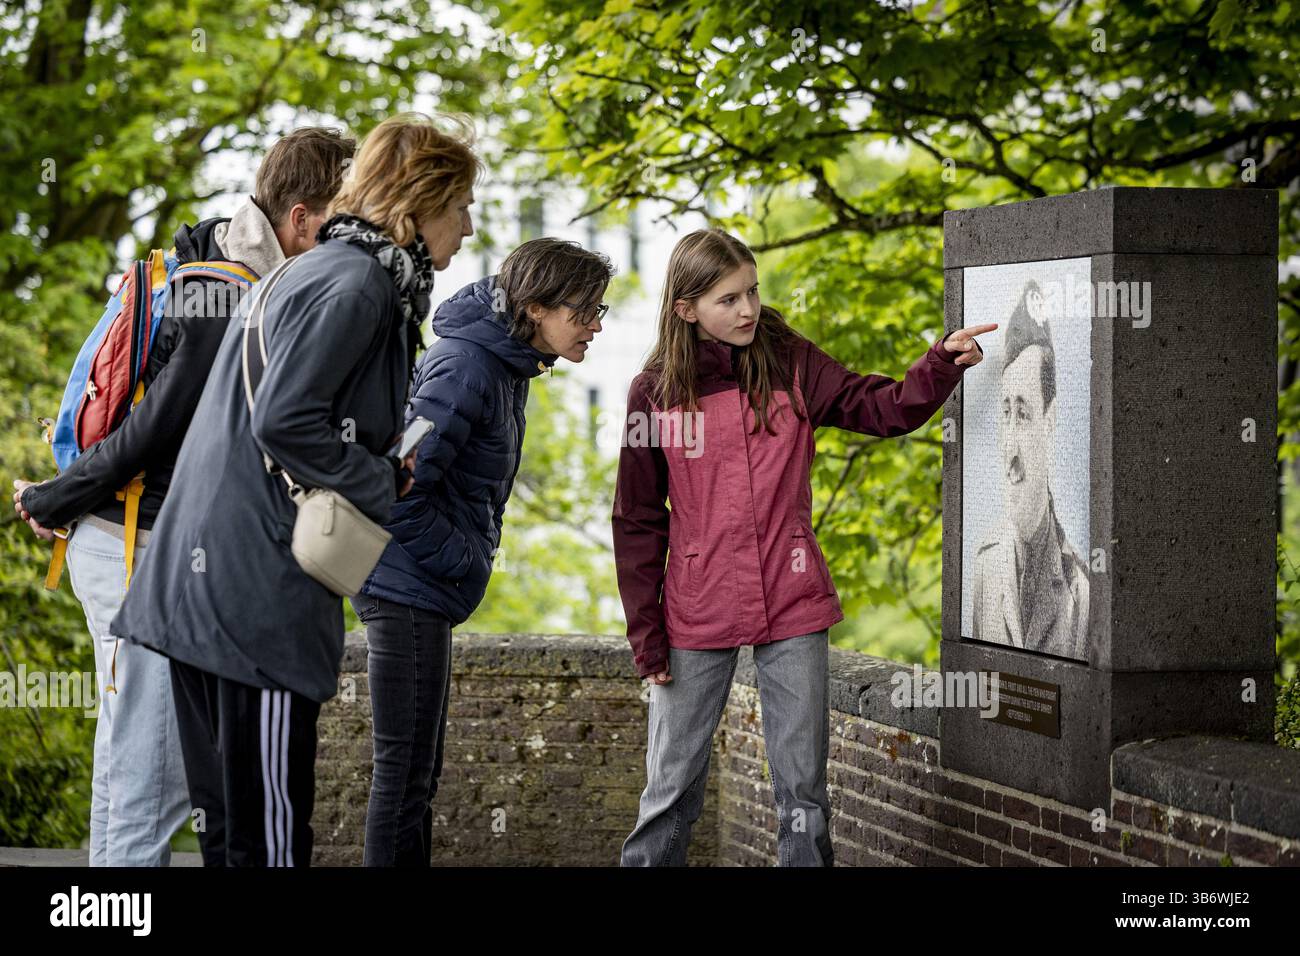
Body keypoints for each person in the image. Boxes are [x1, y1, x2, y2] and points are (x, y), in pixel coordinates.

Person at [107, 113, 482, 866]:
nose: (468, 228)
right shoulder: (359, 286)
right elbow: (286, 420)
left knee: (231, 837)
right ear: (415, 208)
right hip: (256, 605)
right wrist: (378, 475)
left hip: (199, 590)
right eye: (460, 207)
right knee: (272, 843)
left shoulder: (310, 270)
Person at [10, 127, 355, 866]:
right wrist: (57, 497)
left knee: (129, 755)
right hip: (139, 541)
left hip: (125, 535)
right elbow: (158, 426)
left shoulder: (207, 257)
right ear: (300, 218)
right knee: (157, 770)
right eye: (337, 220)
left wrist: (63, 499)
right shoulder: (226, 287)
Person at [612, 228, 992, 866]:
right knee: (671, 789)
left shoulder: (788, 359)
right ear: (686, 309)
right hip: (695, 609)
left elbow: (881, 408)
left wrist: (940, 364)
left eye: (752, 291)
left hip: (792, 598)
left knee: (803, 792)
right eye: (728, 299)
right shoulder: (652, 394)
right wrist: (645, 632)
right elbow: (637, 519)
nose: (748, 309)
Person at [353, 236, 615, 865]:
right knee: (403, 777)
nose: (596, 327)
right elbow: (394, 489)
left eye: (599, 311)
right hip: (402, 588)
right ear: (534, 308)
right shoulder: (465, 367)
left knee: (417, 774)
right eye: (584, 312)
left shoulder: (502, 366)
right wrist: (463, 561)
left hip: (419, 590)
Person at [970, 280, 1089, 659]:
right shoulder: (985, 566)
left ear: (1049, 422)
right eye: (1005, 413)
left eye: (1023, 414)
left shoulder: (1082, 593)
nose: (1011, 449)